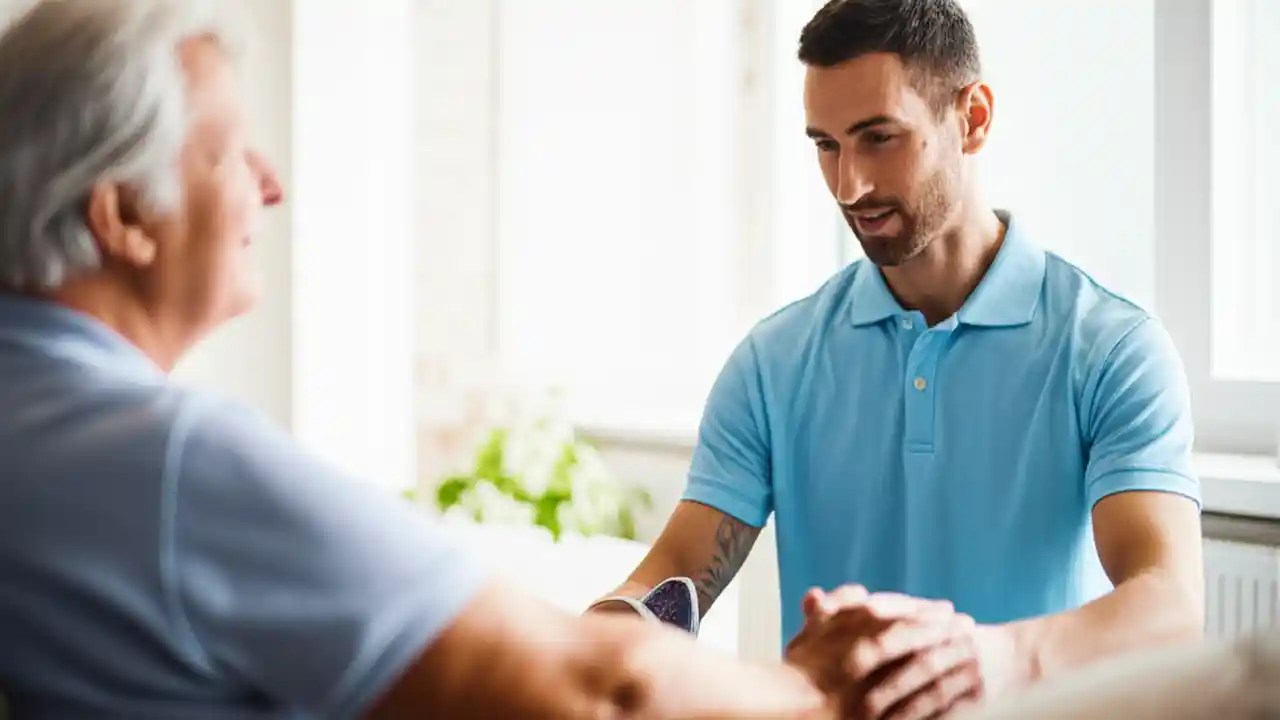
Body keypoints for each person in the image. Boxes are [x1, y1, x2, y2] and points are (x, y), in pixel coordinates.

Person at [0, 1, 828, 717]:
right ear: (124, 215)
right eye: (229, 154)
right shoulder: (170, 462)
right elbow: (604, 696)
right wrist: (819, 691)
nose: (270, 184)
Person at [592, 0, 1205, 717]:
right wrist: (582, 654)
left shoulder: (1111, 348)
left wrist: (994, 659)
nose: (849, 185)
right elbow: (673, 577)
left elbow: (1170, 605)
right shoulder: (772, 362)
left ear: (973, 118)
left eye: (878, 137)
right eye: (825, 145)